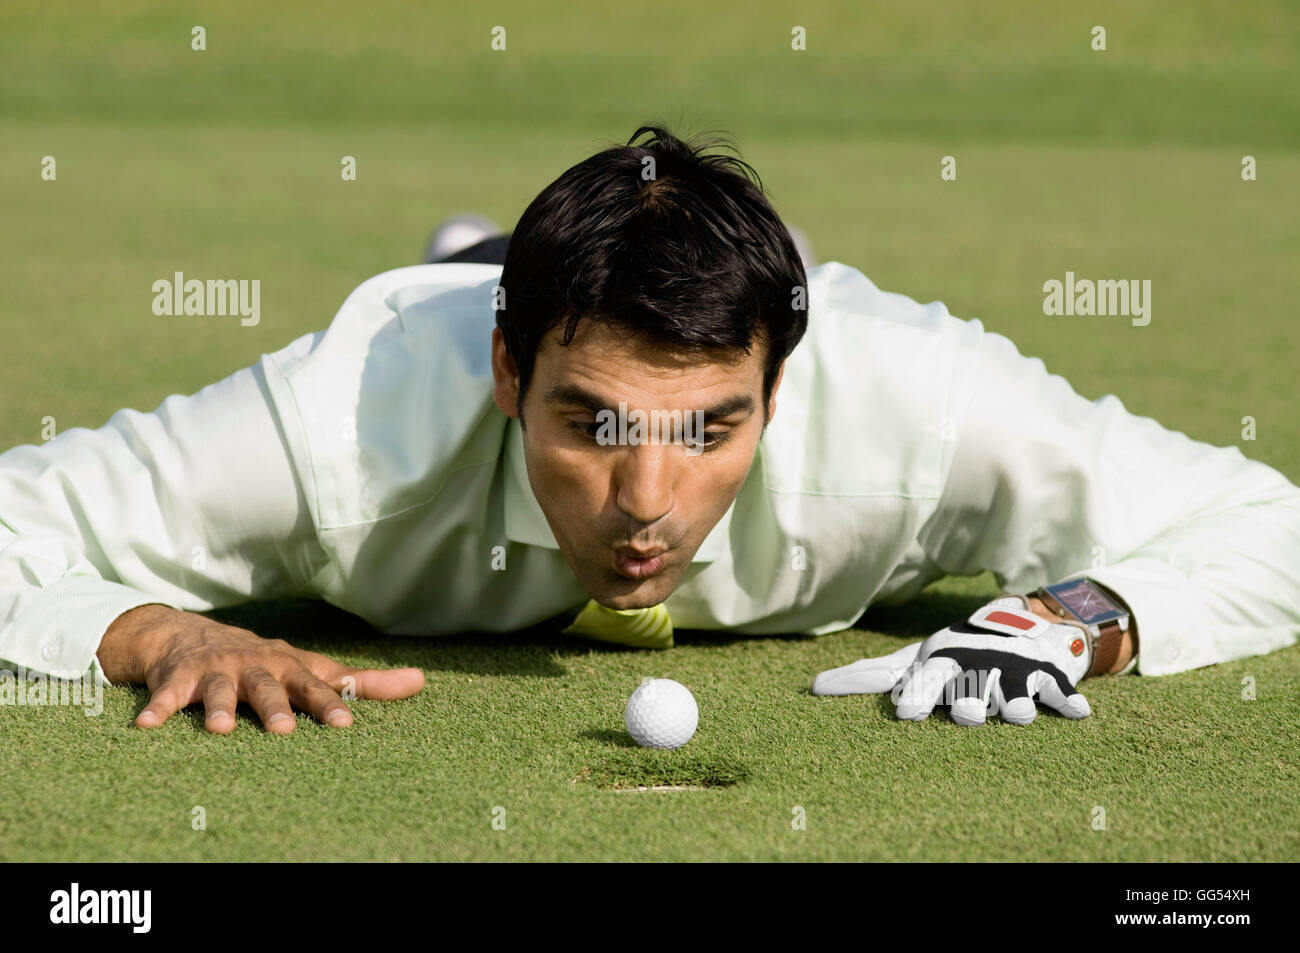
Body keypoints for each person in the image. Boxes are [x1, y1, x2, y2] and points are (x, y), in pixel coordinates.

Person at [2, 125, 1296, 735]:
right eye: (592, 423)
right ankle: (477, 265)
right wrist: (154, 627)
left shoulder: (918, 408)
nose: (646, 498)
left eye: (711, 428)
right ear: (509, 374)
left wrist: (1074, 614)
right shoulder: (347, 420)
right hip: (455, 323)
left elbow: (1268, 519)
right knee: (480, 277)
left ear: (778, 397)